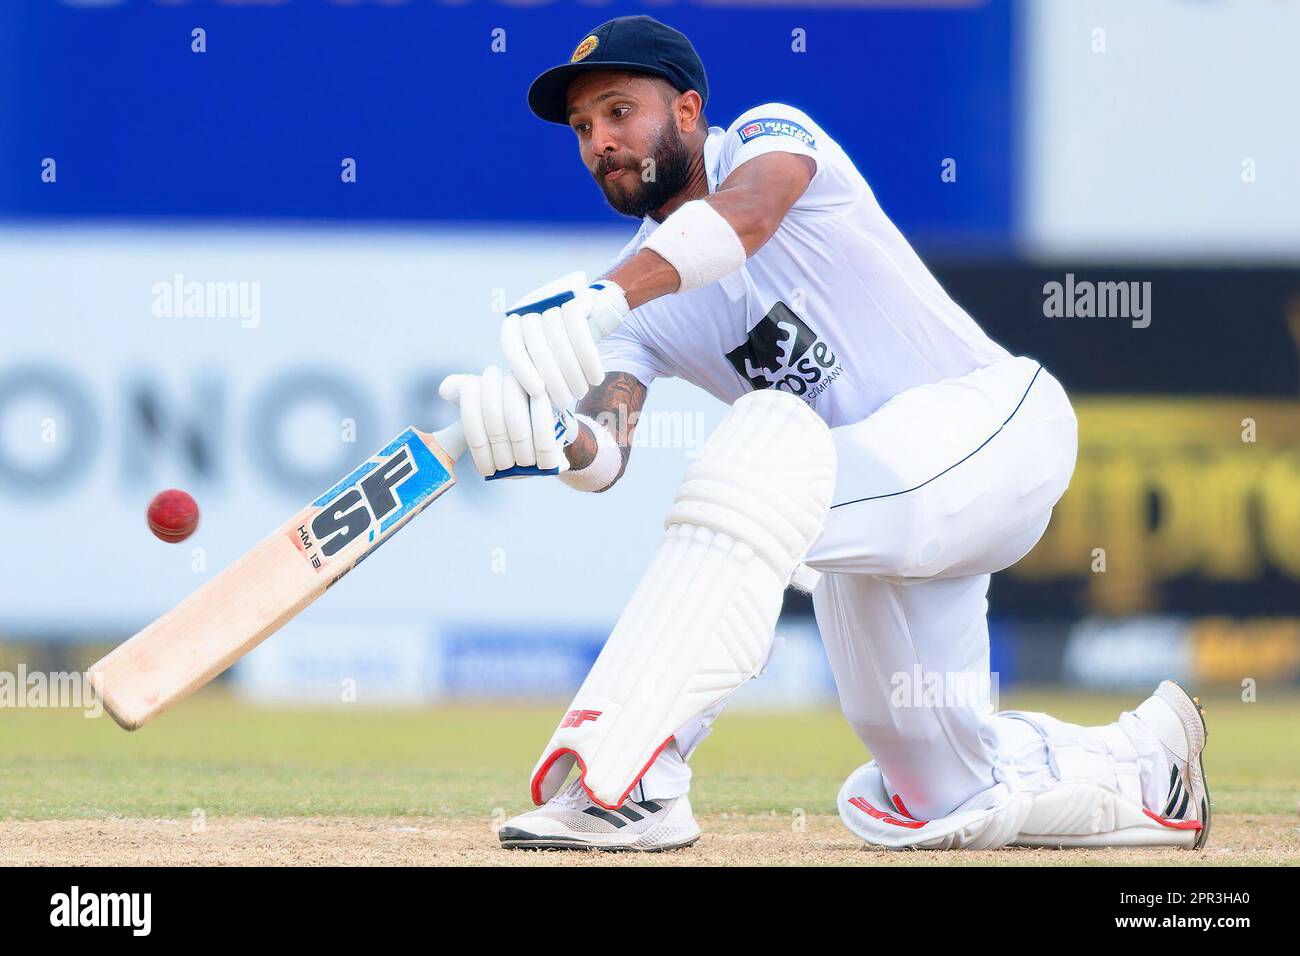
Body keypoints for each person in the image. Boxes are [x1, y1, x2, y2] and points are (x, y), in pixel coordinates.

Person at [440, 15, 1210, 852]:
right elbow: (606, 449)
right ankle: (1147, 766)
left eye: (619, 112)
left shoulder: (770, 139)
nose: (600, 142)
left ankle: (629, 781)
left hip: (994, 428)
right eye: (585, 129)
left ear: (690, 111)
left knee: (761, 448)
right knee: (943, 793)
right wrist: (553, 438)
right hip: (860, 507)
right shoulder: (634, 304)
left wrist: (606, 296)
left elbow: (745, 218)